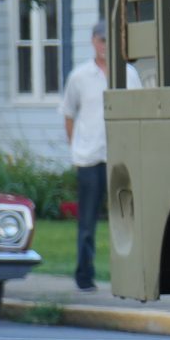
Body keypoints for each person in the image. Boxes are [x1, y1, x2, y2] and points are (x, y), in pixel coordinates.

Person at [59, 20, 143, 293]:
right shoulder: (80, 76)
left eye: (110, 41)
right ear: (93, 41)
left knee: (126, 217)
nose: (105, 46)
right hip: (90, 157)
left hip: (121, 157)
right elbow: (69, 115)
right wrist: (76, 147)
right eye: (101, 40)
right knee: (87, 221)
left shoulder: (129, 74)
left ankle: (130, 275)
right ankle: (85, 275)